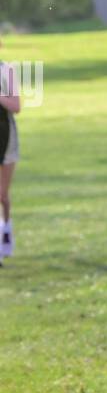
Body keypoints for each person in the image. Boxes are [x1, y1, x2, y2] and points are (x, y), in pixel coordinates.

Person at [0, 38, 21, 267]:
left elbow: (16, 107)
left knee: (2, 196)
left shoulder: (6, 71)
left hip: (5, 137)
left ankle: (6, 233)